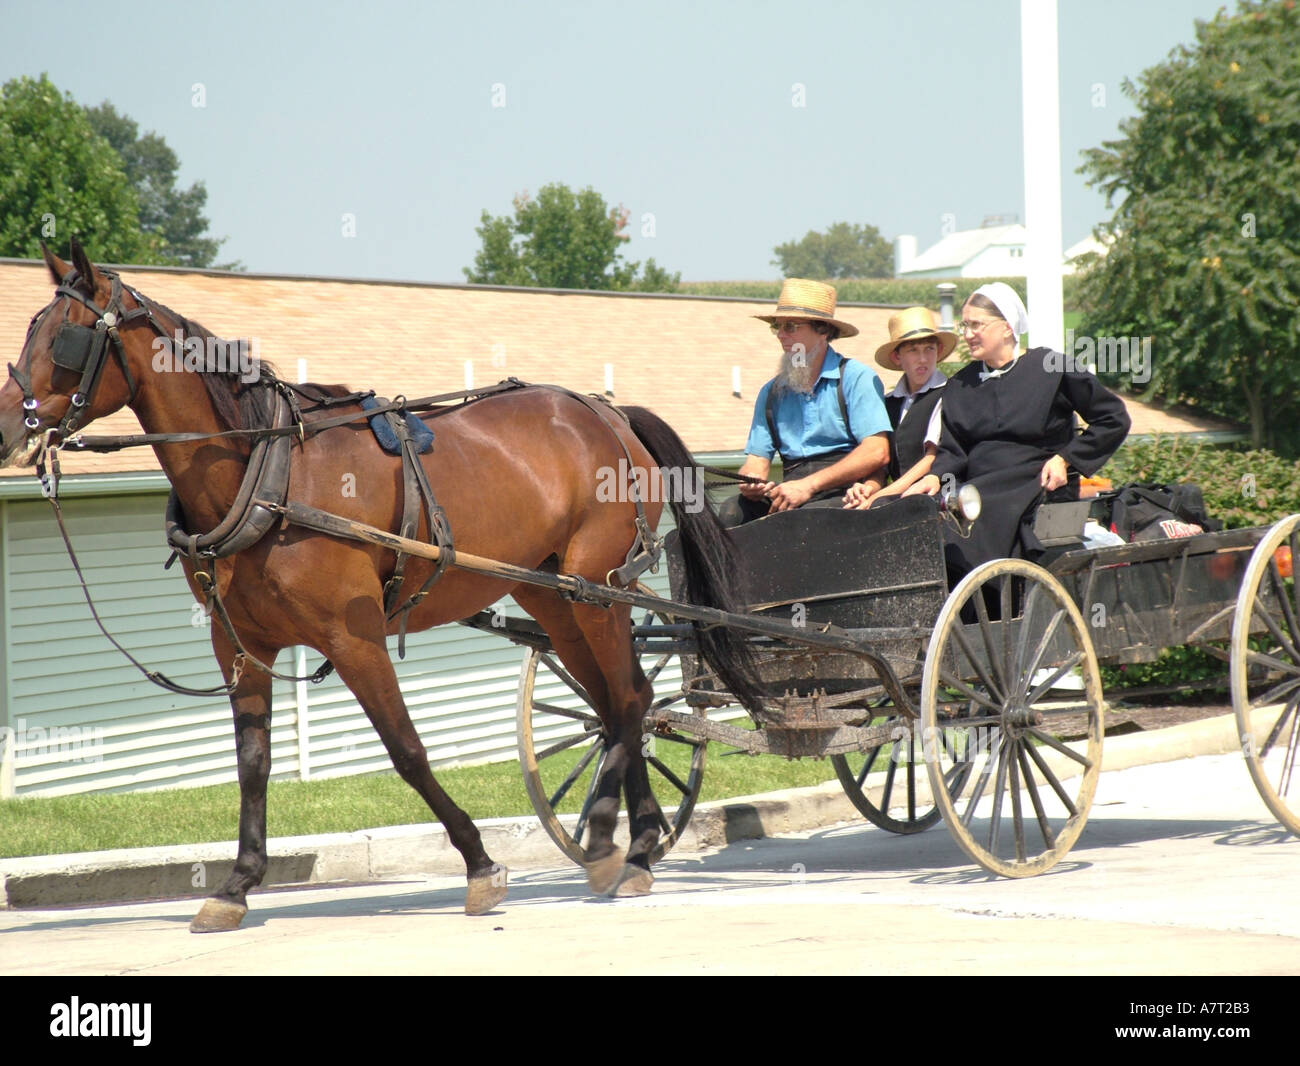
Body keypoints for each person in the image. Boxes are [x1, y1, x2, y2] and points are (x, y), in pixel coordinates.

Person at [908, 282, 1130, 577]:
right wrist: (936, 476)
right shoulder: (959, 385)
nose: (967, 334)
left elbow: (1113, 418)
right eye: (965, 326)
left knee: (979, 511)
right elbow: (954, 451)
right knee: (924, 514)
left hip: (1036, 480)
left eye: (977, 325)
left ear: (1007, 327)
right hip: (977, 486)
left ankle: (987, 590)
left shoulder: (1050, 368)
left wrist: (1066, 459)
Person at [719, 278, 891, 526]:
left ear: (822, 330)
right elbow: (756, 463)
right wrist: (750, 481)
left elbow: (877, 452)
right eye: (777, 327)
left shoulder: (856, 378)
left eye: (790, 326)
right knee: (731, 512)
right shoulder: (770, 393)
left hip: (844, 492)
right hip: (791, 491)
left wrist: (809, 485)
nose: (780, 335)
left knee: (807, 518)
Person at [844, 306, 955, 510]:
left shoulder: (948, 395)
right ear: (897, 357)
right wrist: (868, 489)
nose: (922, 359)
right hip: (895, 500)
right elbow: (881, 467)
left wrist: (882, 496)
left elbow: (931, 457)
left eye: (929, 349)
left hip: (933, 495)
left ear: (938, 352)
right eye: (913, 350)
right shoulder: (888, 403)